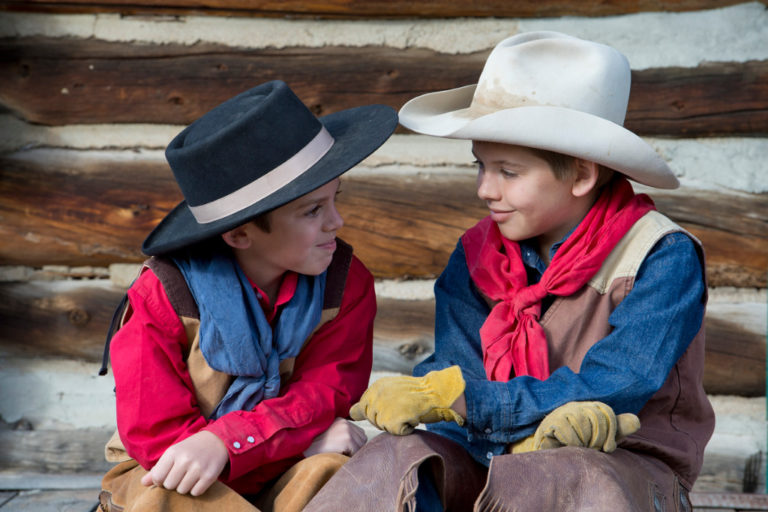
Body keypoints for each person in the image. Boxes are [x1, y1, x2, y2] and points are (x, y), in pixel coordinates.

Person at [304, 31, 713, 511]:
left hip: (623, 466)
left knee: (566, 470)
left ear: (581, 175)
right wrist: (437, 394)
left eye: (508, 172)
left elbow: (616, 385)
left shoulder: (661, 255)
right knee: (394, 458)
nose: (485, 189)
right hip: (488, 451)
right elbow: (460, 376)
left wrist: (465, 402)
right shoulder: (477, 253)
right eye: (480, 166)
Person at [97, 80, 398, 512]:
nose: (338, 221)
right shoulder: (163, 296)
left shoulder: (344, 284)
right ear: (239, 233)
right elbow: (161, 441)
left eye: (336, 199)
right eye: (313, 210)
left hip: (281, 458)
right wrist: (279, 444)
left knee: (333, 469)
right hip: (174, 472)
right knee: (164, 495)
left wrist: (234, 444)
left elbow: (327, 392)